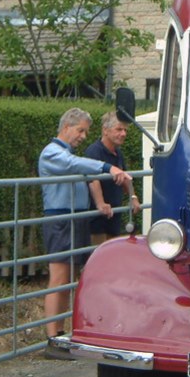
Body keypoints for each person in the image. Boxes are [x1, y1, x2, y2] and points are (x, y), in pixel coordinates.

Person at [39, 107, 131, 341]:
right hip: (60, 218)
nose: (83, 136)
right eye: (80, 130)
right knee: (59, 277)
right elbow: (74, 165)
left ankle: (61, 332)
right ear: (66, 127)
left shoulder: (69, 154)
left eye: (85, 132)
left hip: (76, 217)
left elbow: (80, 167)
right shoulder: (52, 153)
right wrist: (108, 168)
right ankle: (53, 336)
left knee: (69, 278)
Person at [85, 111, 141, 244]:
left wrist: (133, 197)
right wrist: (101, 203)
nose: (124, 134)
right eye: (119, 129)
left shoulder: (118, 153)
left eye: (125, 130)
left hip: (114, 217)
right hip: (97, 220)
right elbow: (93, 179)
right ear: (105, 130)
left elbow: (126, 177)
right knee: (98, 256)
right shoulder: (94, 151)